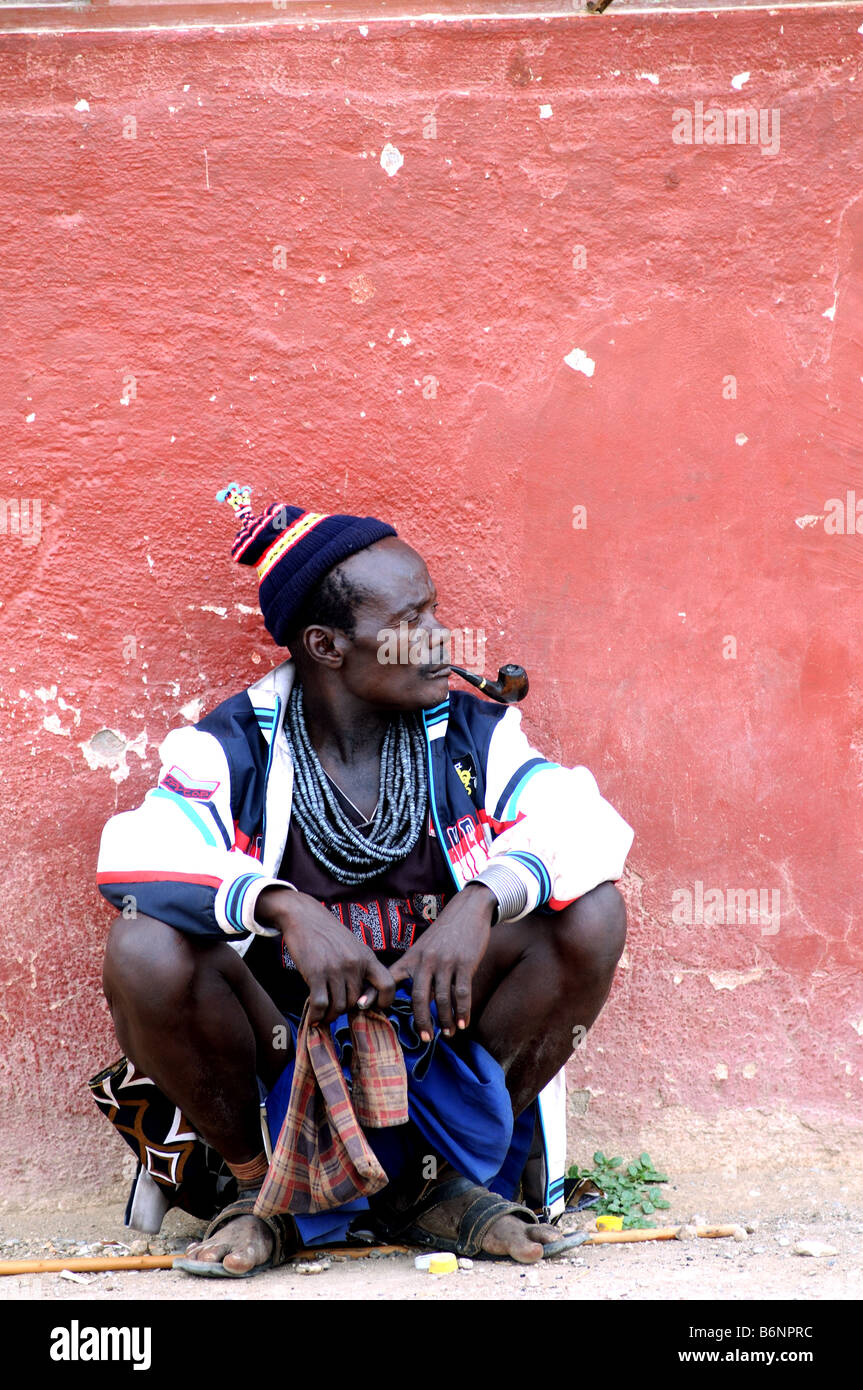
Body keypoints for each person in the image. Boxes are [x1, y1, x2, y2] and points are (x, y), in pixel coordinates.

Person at [96, 485, 634, 1274]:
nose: (439, 637)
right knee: (144, 950)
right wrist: (281, 906)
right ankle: (261, 1192)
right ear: (324, 646)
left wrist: (480, 901)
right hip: (288, 1050)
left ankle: (443, 1184)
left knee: (589, 917)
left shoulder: (472, 735)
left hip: (429, 1040)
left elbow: (589, 825)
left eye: (434, 611)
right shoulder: (234, 745)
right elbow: (134, 855)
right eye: (408, 622)